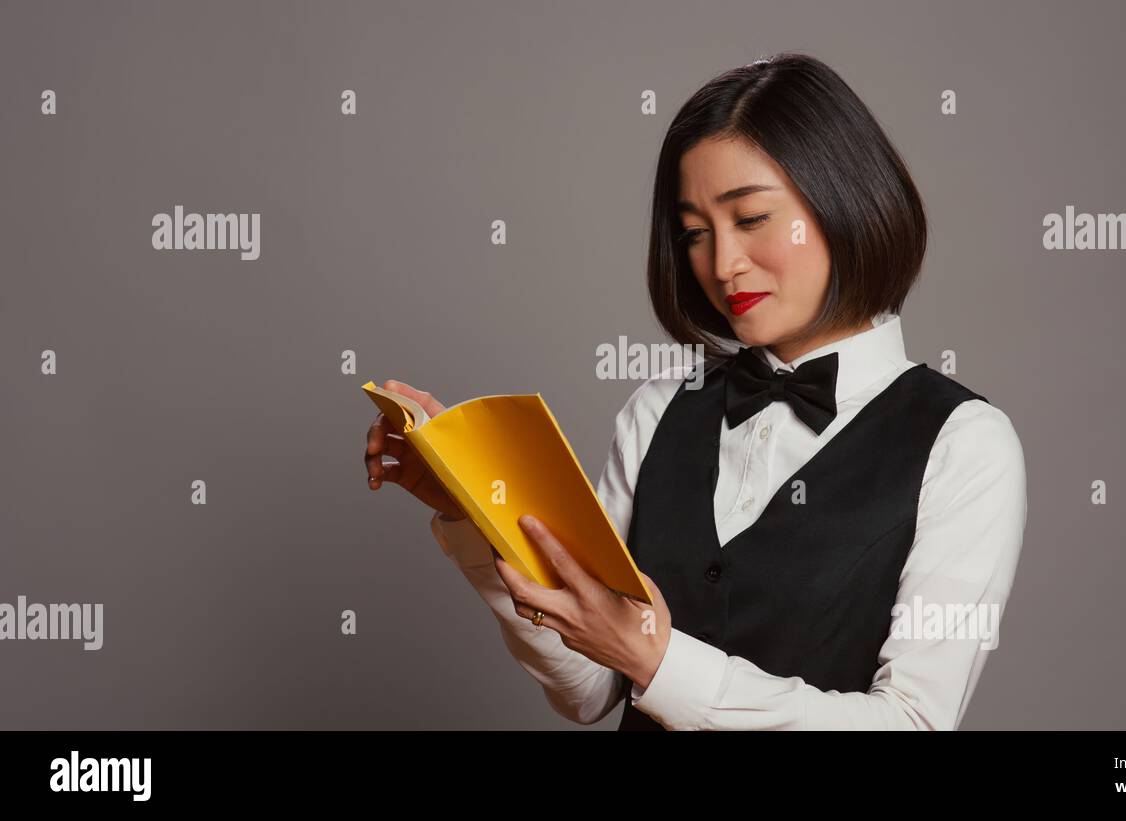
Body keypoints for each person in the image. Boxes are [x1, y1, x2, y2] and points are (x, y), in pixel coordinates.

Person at [363, 52, 1027, 730]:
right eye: (695, 233)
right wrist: (477, 506)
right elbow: (588, 689)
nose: (722, 264)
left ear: (844, 198)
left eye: (752, 218)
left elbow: (913, 721)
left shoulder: (964, 444)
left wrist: (661, 664)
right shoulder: (658, 410)